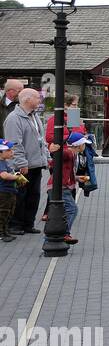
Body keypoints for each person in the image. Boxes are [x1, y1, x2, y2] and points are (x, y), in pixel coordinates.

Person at [2, 89, 46, 236]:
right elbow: (15, 143)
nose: (40, 100)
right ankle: (16, 224)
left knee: (34, 195)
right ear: (27, 99)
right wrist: (21, 163)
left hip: (36, 163)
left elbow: (41, 139)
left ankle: (28, 223)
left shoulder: (35, 116)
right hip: (24, 165)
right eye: (37, 97)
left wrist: (46, 157)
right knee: (20, 195)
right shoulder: (14, 118)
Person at [49, 130, 89, 245]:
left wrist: (76, 178)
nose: (85, 146)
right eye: (84, 144)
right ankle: (64, 233)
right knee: (72, 209)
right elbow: (60, 154)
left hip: (60, 186)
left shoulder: (73, 154)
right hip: (61, 187)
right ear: (79, 145)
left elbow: (66, 170)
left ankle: (57, 234)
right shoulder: (69, 153)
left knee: (61, 211)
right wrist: (54, 150)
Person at [0, 139, 23, 242]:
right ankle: (1, 233)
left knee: (9, 212)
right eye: (8, 150)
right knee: (3, 212)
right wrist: (16, 177)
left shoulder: (5, 162)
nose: (12, 152)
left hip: (10, 191)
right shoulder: (1, 163)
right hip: (4, 192)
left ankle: (5, 231)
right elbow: (4, 175)